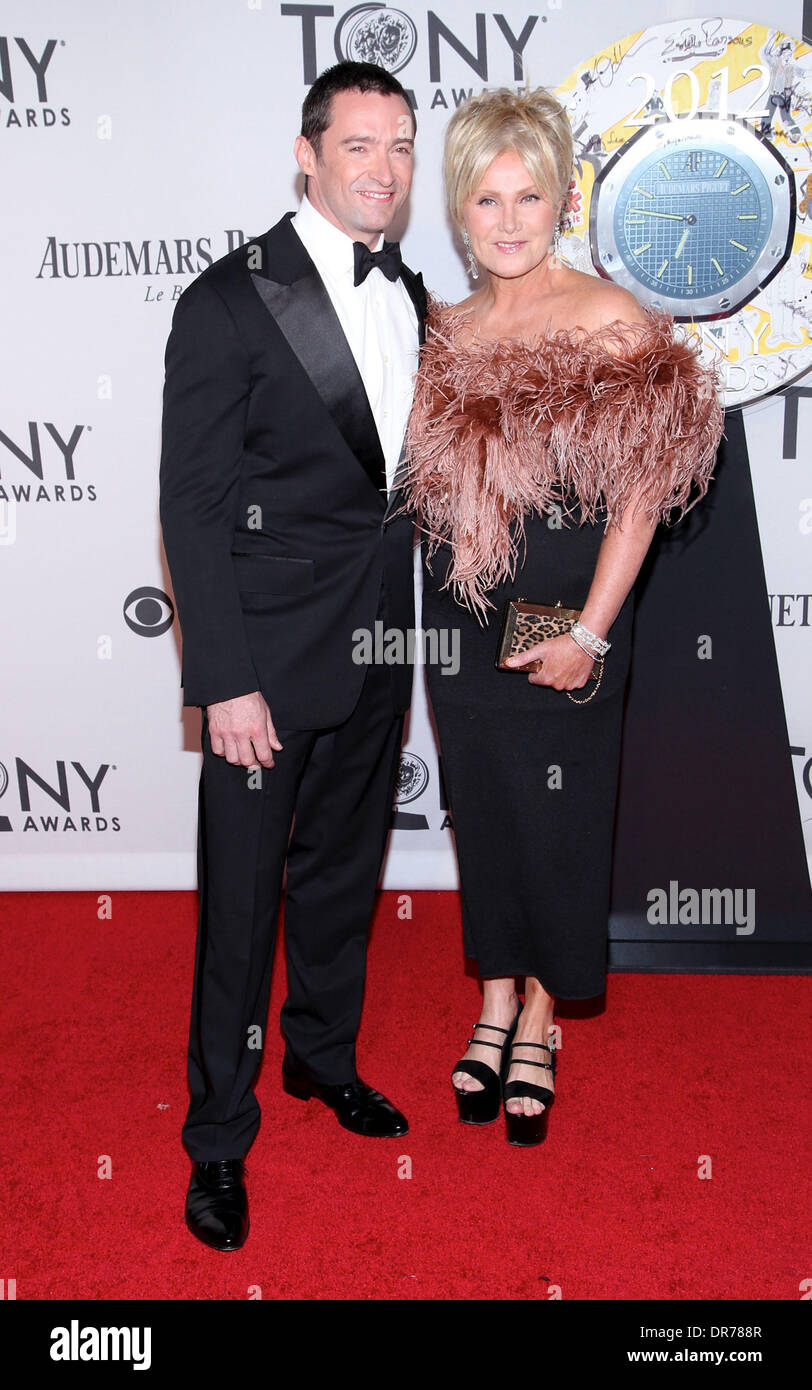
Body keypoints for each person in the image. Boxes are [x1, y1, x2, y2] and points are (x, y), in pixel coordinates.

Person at [402, 87, 724, 1146]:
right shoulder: (444, 328)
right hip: (461, 602)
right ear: (458, 210)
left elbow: (640, 494)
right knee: (485, 806)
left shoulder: (607, 318)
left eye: (526, 196)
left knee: (560, 810)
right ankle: (493, 996)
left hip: (558, 604)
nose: (505, 220)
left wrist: (588, 628)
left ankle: (542, 1015)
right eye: (484, 200)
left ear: (563, 198)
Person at [159, 61, 426, 1250]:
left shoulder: (409, 290)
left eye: (402, 147)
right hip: (261, 670)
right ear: (307, 154)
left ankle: (321, 1058)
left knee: (339, 882)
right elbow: (194, 508)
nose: (382, 169)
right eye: (359, 145)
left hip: (378, 646)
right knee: (238, 913)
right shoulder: (226, 300)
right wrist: (220, 678)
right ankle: (218, 1136)